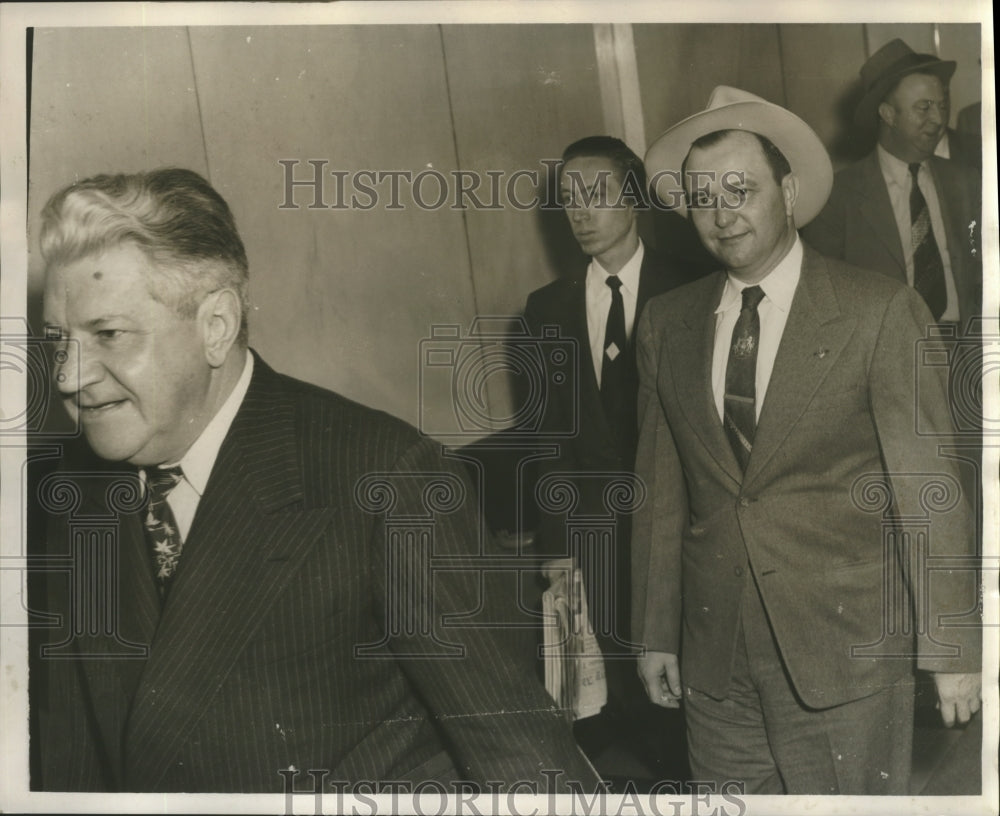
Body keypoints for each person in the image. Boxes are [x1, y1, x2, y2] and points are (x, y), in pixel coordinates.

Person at [33, 168, 599, 793]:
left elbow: (518, 754)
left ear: (215, 326)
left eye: (108, 334)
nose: (67, 375)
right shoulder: (79, 487)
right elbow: (74, 746)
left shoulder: (383, 475)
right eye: (59, 340)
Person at [635, 86, 981, 794]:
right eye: (702, 197)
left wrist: (952, 648)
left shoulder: (878, 311)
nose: (722, 213)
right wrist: (656, 631)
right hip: (715, 653)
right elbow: (660, 491)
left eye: (741, 189)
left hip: (847, 651)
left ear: (788, 191)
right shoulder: (665, 325)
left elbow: (930, 494)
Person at [522, 136, 689, 779]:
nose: (580, 213)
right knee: (625, 694)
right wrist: (557, 546)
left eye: (596, 195)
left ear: (636, 197)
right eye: (569, 200)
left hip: (681, 531)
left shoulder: (691, 285)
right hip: (595, 534)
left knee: (689, 687)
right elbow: (549, 439)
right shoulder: (547, 308)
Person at [802, 38, 981, 328]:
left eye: (942, 105)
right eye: (924, 108)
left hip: (962, 348)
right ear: (887, 115)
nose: (938, 119)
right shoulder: (837, 196)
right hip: (883, 352)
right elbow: (821, 295)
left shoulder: (965, 181)